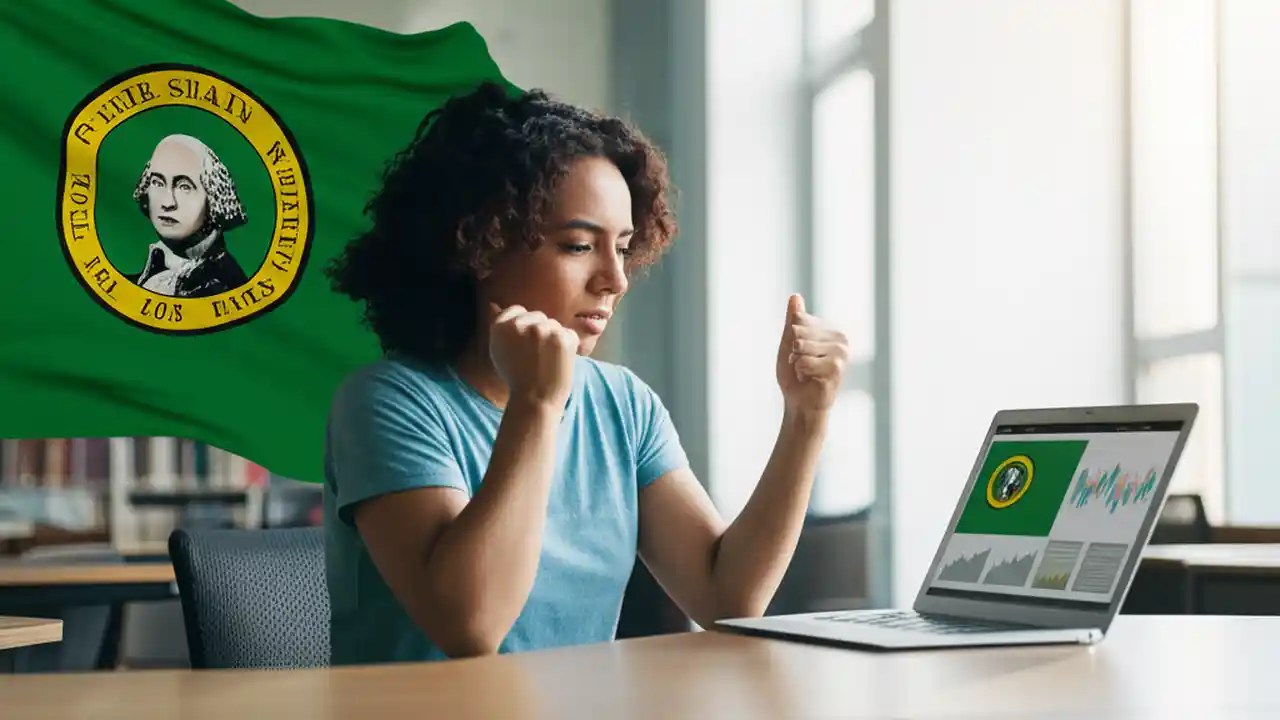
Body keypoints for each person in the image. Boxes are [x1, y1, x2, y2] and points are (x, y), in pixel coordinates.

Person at [323, 81, 850, 665]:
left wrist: (806, 418)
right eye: (578, 246)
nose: (614, 279)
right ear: (481, 246)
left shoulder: (623, 403)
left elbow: (727, 595)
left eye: (622, 248)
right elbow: (471, 627)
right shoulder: (385, 403)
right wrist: (539, 403)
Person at [129, 133, 249, 297]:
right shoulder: (144, 277)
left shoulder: (224, 286)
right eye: (158, 182)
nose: (167, 202)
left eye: (184, 187)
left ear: (212, 196)